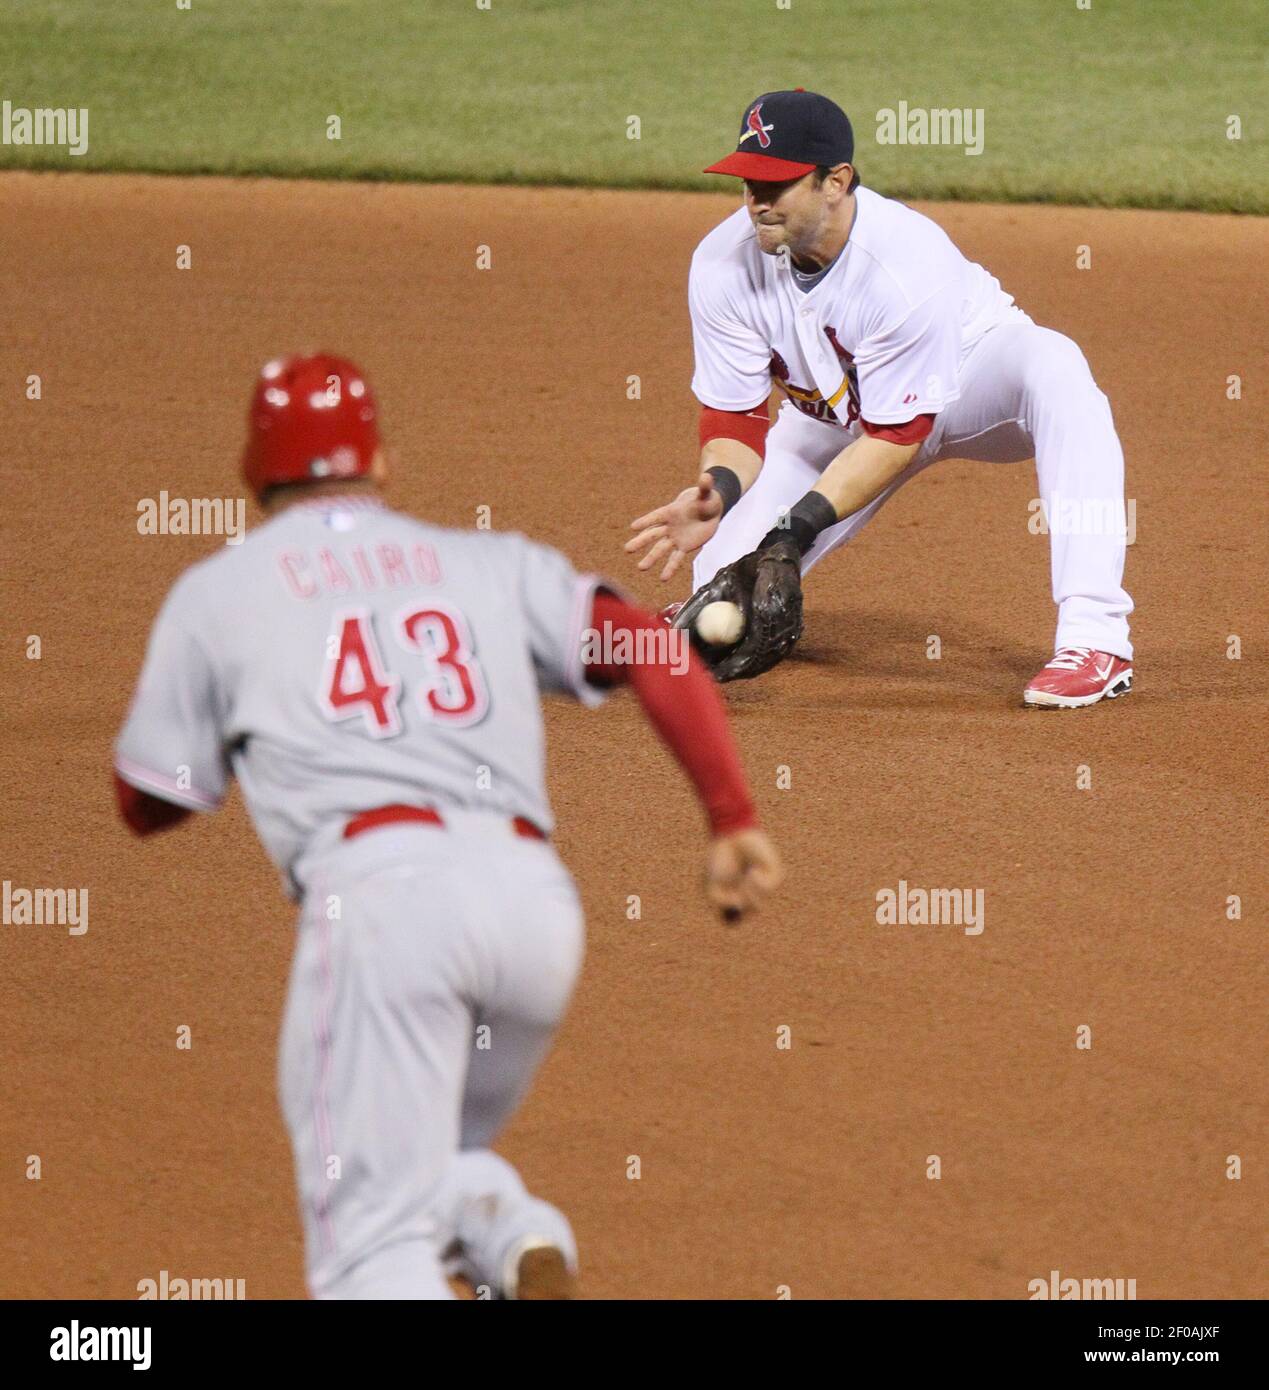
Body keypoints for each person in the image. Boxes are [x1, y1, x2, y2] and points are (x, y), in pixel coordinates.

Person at [114, 352, 782, 1299]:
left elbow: (149, 802)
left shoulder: (218, 594)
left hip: (386, 912)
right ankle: (507, 1232)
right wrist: (731, 816)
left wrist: (230, 737)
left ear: (250, 475)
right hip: (533, 912)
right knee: (418, 1146)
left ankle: (472, 1239)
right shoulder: (483, 563)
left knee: (365, 1247)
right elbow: (648, 645)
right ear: (380, 465)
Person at [628, 89, 1134, 707]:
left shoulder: (904, 264)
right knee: (720, 607)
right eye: (747, 183)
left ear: (835, 181)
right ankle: (718, 588)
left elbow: (898, 438)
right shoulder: (722, 265)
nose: (756, 203)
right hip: (841, 422)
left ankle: (1094, 636)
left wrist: (791, 533)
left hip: (969, 379)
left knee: (1057, 370)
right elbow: (735, 415)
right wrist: (720, 491)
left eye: (776, 185)